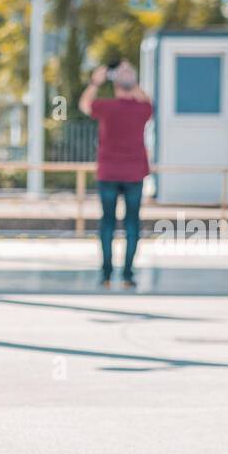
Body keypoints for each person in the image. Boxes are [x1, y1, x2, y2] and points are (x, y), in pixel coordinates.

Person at [79, 60, 153, 289]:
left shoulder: (106, 107)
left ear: (114, 84)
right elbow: (148, 102)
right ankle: (128, 276)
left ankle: (106, 275)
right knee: (132, 224)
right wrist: (131, 78)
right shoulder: (142, 109)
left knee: (107, 224)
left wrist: (95, 81)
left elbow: (84, 105)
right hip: (134, 174)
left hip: (108, 173)